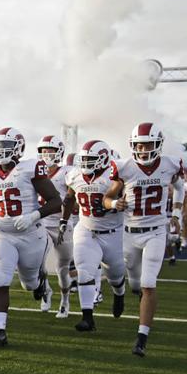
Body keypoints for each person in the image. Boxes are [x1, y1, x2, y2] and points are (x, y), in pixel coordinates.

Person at [103, 122, 183, 357]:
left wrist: (176, 214)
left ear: (158, 145)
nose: (143, 150)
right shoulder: (124, 167)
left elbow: (180, 188)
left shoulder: (170, 164)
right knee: (136, 284)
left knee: (149, 284)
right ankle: (129, 296)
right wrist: (114, 203)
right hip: (129, 233)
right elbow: (107, 198)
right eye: (139, 145)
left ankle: (141, 338)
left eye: (148, 145)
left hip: (156, 231)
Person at [0, 127, 62, 346]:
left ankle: (41, 282)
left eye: (6, 146)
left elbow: (56, 201)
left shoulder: (30, 168)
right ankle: (0, 331)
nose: (1, 150)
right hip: (3, 234)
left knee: (29, 284)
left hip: (30, 235)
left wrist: (33, 215)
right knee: (0, 278)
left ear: (19, 148)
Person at [59, 140, 127, 332]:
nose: (86, 163)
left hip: (113, 232)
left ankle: (119, 294)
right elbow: (70, 197)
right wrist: (64, 220)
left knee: (115, 276)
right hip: (86, 229)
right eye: (84, 159)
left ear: (104, 159)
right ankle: (87, 318)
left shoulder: (114, 176)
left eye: (91, 159)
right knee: (84, 271)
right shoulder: (74, 176)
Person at [36, 135, 74, 317]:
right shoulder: (34, 172)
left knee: (63, 268)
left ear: (59, 152)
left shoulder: (67, 172)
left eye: (50, 150)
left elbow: (73, 199)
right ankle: (46, 290)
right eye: (43, 151)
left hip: (62, 224)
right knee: (37, 262)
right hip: (42, 223)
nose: (47, 154)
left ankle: (65, 301)